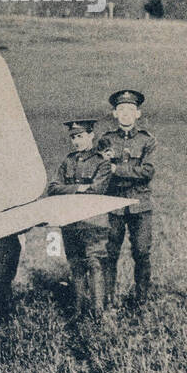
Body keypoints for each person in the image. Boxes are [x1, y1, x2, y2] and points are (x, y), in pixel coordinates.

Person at [47, 119, 113, 319]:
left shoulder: (102, 162)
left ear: (91, 135)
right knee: (75, 266)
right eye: (73, 137)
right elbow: (53, 188)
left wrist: (71, 191)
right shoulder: (68, 161)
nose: (76, 141)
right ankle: (78, 311)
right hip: (71, 222)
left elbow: (97, 191)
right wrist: (79, 188)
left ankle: (97, 312)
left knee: (95, 265)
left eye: (80, 136)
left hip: (94, 222)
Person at [97, 89, 157, 305]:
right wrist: (110, 168)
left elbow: (147, 172)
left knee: (141, 252)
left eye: (130, 110)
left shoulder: (147, 140)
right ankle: (109, 299)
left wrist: (116, 170)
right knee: (109, 252)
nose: (125, 114)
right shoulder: (105, 141)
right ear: (114, 113)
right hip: (114, 205)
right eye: (121, 110)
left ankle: (142, 300)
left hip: (140, 205)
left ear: (138, 114)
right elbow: (102, 169)